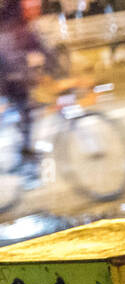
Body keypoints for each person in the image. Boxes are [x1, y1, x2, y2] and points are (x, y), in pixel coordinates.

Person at [0, 0, 52, 174]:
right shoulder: (12, 27)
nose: (34, 8)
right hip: (8, 77)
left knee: (27, 111)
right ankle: (24, 157)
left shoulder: (22, 26)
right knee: (23, 108)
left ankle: (25, 153)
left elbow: (41, 48)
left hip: (13, 75)